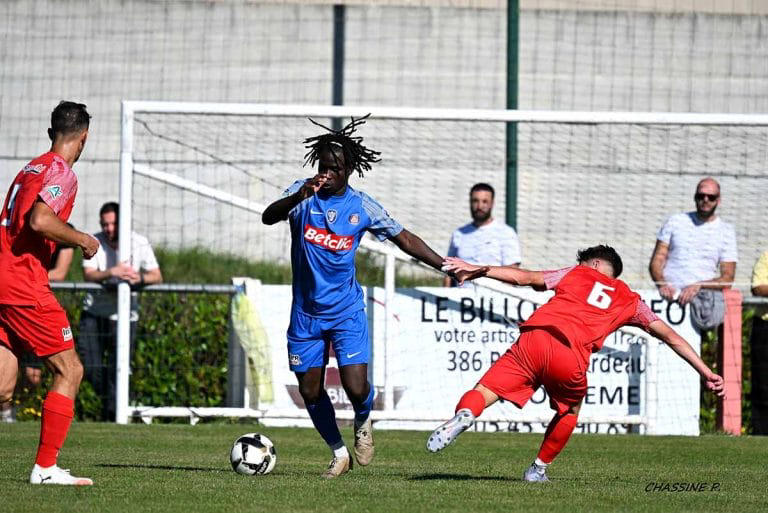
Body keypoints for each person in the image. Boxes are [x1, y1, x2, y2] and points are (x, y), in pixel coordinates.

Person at [429, 245, 725, 482]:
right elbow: (672, 337)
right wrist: (706, 372)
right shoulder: (632, 301)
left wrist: (477, 270)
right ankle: (537, 470)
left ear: (594, 264)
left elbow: (524, 277)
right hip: (570, 355)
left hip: (535, 337)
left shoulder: (576, 272)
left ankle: (466, 414)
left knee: (484, 391)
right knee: (570, 410)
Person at [262, 115, 447, 478]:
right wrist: (296, 199)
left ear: (348, 170)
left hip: (346, 310)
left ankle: (363, 421)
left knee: (355, 385)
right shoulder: (301, 194)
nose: (327, 173)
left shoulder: (361, 206)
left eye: (335, 168)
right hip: (305, 315)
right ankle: (338, 452)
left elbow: (404, 238)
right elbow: (269, 216)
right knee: (310, 391)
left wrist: (444, 265)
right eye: (323, 167)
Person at [0, 101, 99, 485]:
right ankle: (45, 469)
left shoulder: (31, 167)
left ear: (50, 132)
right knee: (69, 369)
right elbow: (40, 220)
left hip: (4, 276)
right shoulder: (62, 172)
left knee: (5, 389)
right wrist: (82, 239)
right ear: (84, 138)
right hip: (23, 283)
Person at [79, 201, 162, 421]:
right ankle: (111, 407)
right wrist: (111, 272)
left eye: (113, 223)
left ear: (123, 223)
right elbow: (88, 274)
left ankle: (113, 415)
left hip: (125, 315)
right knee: (91, 368)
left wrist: (139, 278)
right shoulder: (94, 241)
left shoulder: (139, 242)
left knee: (119, 368)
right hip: (94, 314)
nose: (108, 229)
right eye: (105, 224)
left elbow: (157, 275)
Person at [649, 178, 737, 307]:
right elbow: (657, 260)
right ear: (695, 197)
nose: (705, 200)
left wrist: (699, 286)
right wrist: (662, 284)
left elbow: (728, 278)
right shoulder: (675, 221)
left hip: (703, 301)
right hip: (667, 298)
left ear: (718, 200)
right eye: (701, 196)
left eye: (711, 197)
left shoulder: (726, 231)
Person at [442, 183, 521, 287]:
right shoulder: (459, 233)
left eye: (484, 201)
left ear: (492, 203)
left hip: (494, 297)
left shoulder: (506, 232)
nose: (479, 206)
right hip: (460, 298)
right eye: (475, 201)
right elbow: (448, 270)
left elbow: (512, 271)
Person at [750, 250, 768, 435]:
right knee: (763, 386)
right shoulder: (766, 256)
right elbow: (758, 288)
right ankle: (761, 435)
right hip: (765, 326)